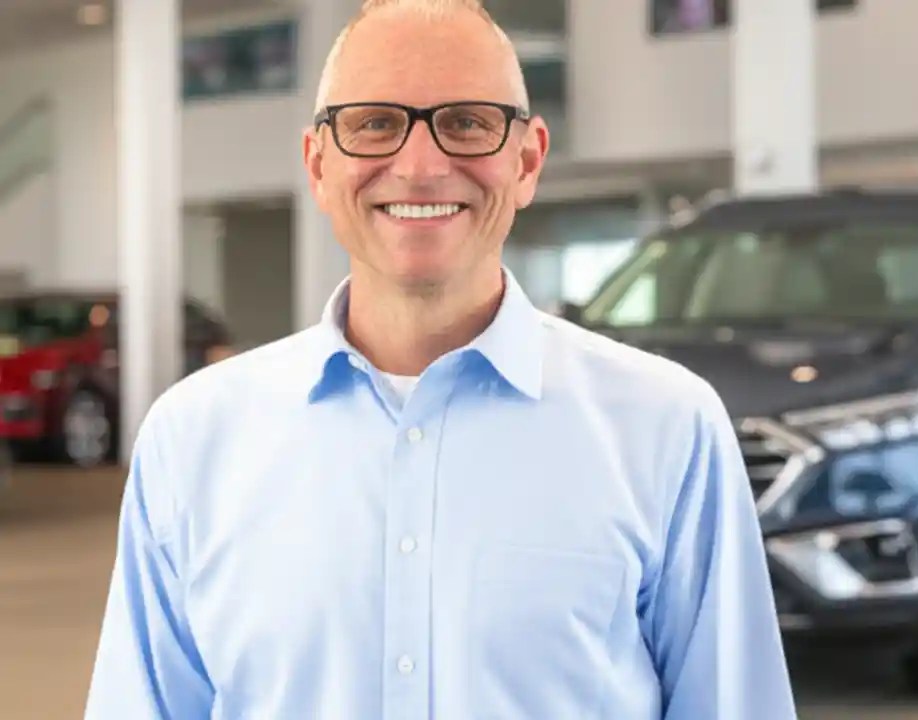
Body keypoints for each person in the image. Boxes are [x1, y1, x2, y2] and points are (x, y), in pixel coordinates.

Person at [84, 1, 797, 718]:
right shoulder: (194, 440)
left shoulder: (664, 427)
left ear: (527, 161)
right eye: (374, 123)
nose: (421, 166)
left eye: (466, 122)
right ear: (318, 164)